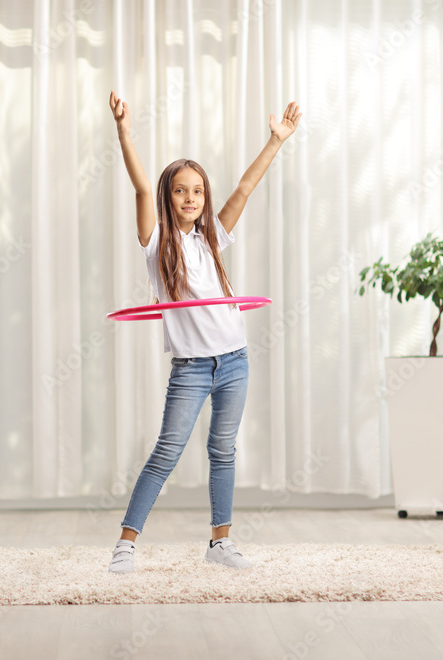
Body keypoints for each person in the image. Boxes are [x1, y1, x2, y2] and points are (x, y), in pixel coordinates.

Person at [106, 90, 301, 574]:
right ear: (168, 198)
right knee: (167, 452)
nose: (190, 198)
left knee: (223, 450)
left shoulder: (212, 237)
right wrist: (124, 132)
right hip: (192, 367)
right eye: (180, 190)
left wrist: (275, 142)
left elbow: (244, 188)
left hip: (235, 359)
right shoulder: (156, 245)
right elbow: (139, 188)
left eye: (197, 191)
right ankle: (126, 544)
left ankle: (220, 541)